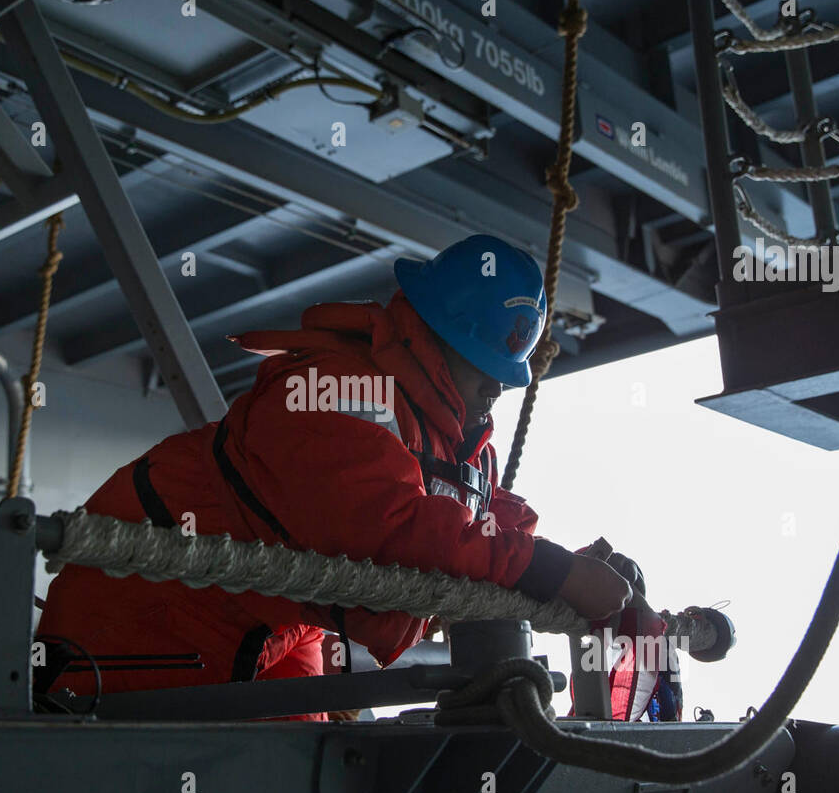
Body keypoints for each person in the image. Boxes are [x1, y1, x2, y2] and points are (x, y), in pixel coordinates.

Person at [38, 235, 637, 721]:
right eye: (485, 364)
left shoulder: (446, 430)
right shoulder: (331, 388)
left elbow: (483, 522)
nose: (499, 385)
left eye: (506, 372)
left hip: (272, 627)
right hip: (146, 616)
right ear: (433, 333)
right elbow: (384, 527)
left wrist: (569, 572)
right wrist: (555, 571)